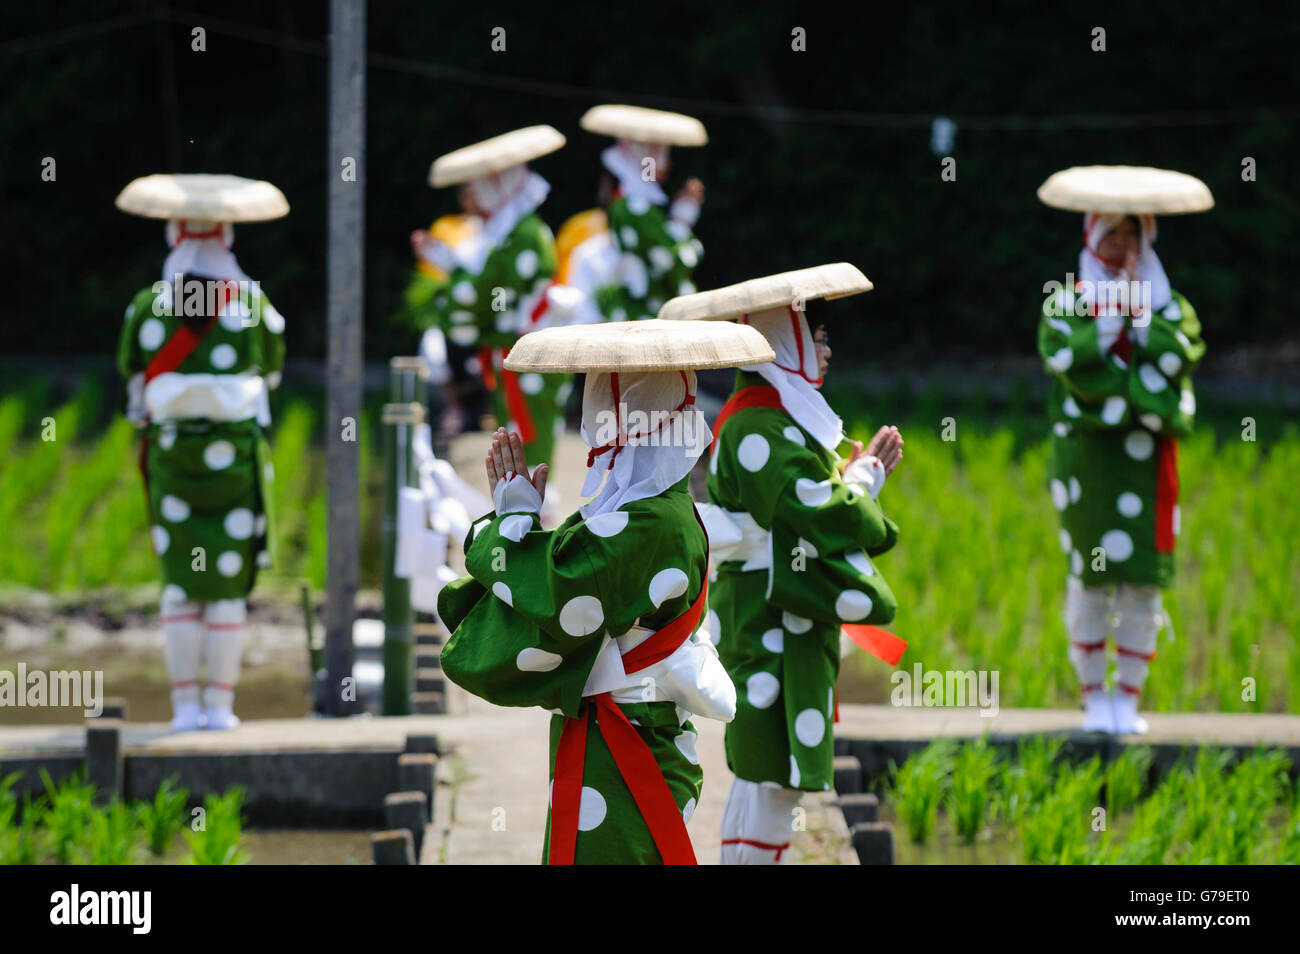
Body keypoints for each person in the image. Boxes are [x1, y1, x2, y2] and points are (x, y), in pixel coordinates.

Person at [436, 318, 775, 864]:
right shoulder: (647, 507)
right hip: (623, 726)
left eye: (601, 409)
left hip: (628, 733)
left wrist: (509, 524)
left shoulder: (648, 521)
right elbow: (575, 569)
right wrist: (519, 523)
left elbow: (563, 590)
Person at [659, 264, 904, 864]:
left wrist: (852, 482)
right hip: (771, 615)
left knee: (765, 773)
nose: (825, 349)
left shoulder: (770, 417)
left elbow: (801, 504)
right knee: (773, 768)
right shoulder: (757, 423)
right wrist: (865, 480)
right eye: (814, 336)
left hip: (775, 609)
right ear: (782, 342)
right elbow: (810, 510)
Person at [1036, 165, 1213, 734]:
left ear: (1147, 238)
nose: (1121, 244)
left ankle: (1128, 698)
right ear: (1090, 235)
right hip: (1089, 464)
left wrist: (1140, 317)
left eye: (1131, 234)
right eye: (1110, 232)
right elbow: (1073, 364)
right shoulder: (1066, 301)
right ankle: (1093, 696)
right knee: (1090, 577)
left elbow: (1178, 354)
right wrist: (1118, 320)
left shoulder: (1171, 303)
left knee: (1141, 577)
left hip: (1146, 462)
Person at [114, 173, 289, 731]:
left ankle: (184, 707)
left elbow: (131, 372)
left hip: (171, 458)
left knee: (181, 581)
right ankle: (221, 706)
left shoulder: (147, 305)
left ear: (174, 235)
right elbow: (273, 370)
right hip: (233, 458)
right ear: (226, 235)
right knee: (227, 582)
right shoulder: (253, 305)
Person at [410, 125, 569, 468]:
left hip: (531, 358)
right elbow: (482, 279)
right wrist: (448, 264)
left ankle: (536, 514)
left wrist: (455, 290)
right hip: (513, 355)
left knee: (532, 446)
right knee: (515, 441)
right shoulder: (509, 233)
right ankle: (526, 512)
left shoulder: (523, 235)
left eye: (478, 189)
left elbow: (482, 292)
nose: (472, 200)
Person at [549, 105, 707, 325]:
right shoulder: (633, 207)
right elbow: (674, 262)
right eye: (661, 154)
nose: (668, 164)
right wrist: (681, 223)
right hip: (640, 324)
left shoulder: (636, 206)